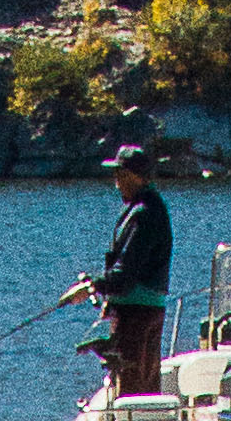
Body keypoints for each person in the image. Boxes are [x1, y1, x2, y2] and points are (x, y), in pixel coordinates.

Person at [69, 142, 173, 396]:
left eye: (119, 175)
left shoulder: (143, 214)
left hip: (136, 316)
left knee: (132, 385)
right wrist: (109, 296)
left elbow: (125, 274)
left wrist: (92, 286)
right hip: (145, 310)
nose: (115, 182)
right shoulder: (148, 207)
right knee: (143, 382)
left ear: (131, 176)